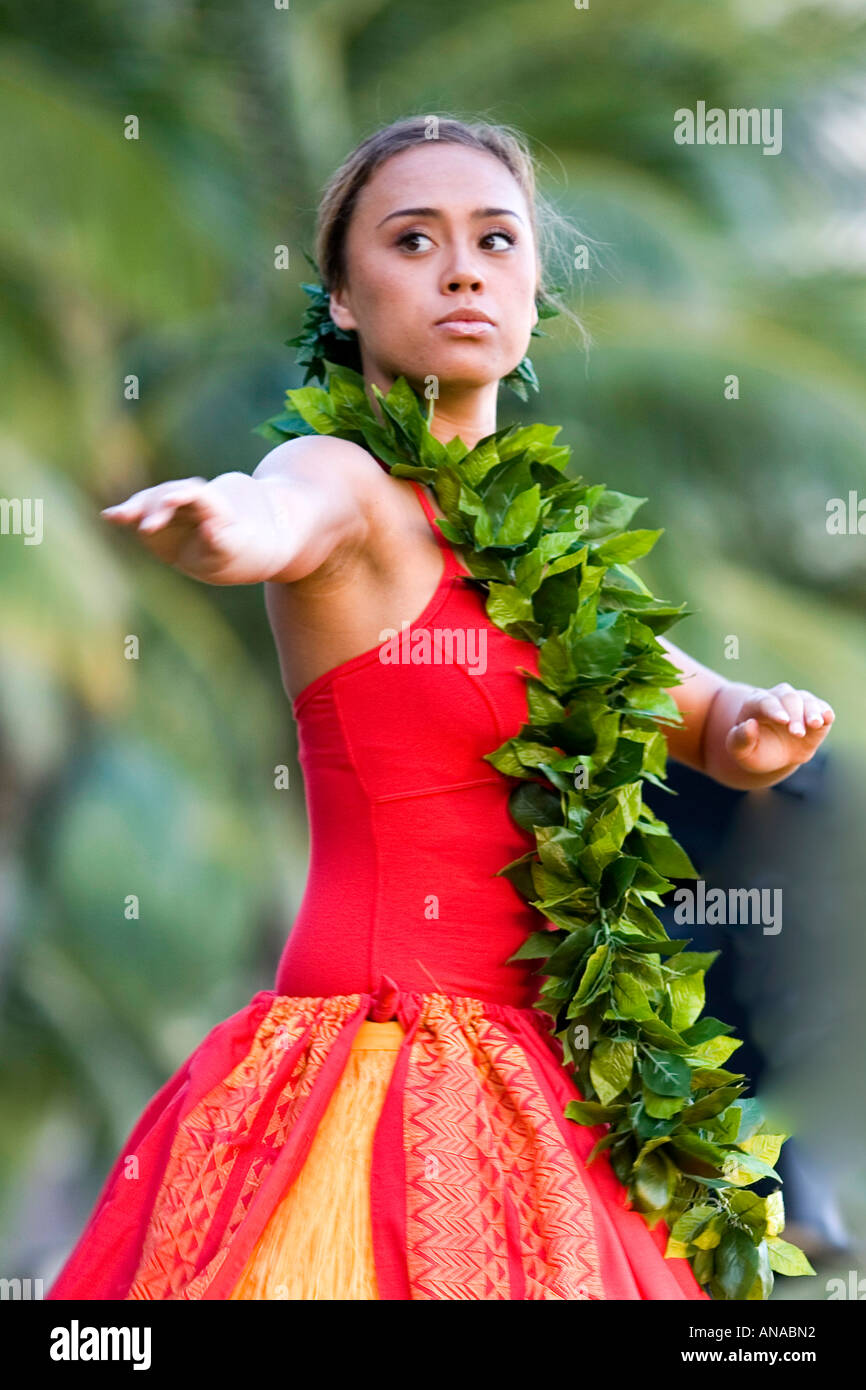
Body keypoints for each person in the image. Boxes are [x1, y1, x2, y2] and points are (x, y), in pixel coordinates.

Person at [46, 116, 834, 1301]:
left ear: (528, 290)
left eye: (494, 240)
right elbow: (274, 515)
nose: (459, 266)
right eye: (411, 240)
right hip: (366, 1069)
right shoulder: (345, 484)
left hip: (562, 1093)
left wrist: (760, 726)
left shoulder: (559, 567)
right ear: (346, 301)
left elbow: (708, 717)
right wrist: (221, 527)